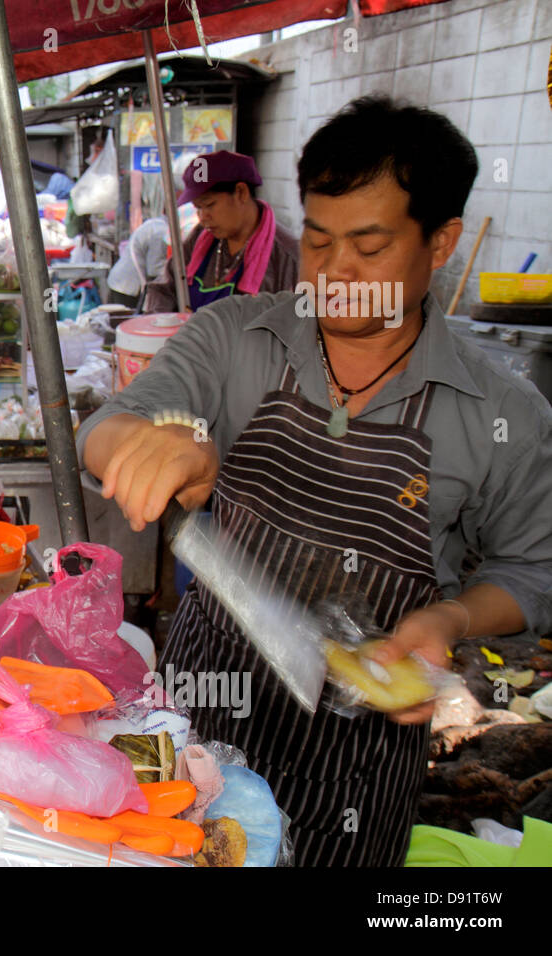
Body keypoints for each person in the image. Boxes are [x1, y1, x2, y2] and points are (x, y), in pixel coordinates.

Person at [78, 96, 552, 867]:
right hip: (199, 727)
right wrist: (158, 440)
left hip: (358, 767)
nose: (334, 274)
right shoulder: (233, 336)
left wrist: (453, 620)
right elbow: (102, 428)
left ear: (441, 243)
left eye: (368, 246)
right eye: (321, 239)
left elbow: (531, 569)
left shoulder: (502, 412)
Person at [144, 150, 298, 313]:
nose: (203, 217)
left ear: (241, 192)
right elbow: (163, 289)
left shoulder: (287, 256)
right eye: (198, 208)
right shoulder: (200, 238)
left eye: (209, 205)